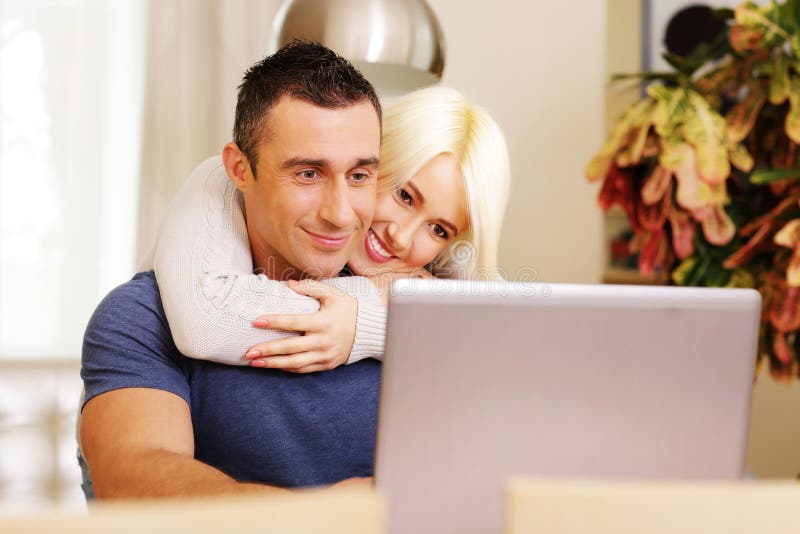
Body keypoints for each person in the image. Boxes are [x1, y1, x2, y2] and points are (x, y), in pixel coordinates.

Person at [154, 84, 511, 373]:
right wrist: (374, 312)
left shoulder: (432, 274)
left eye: (438, 230)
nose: (401, 237)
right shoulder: (223, 181)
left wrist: (392, 311)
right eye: (403, 195)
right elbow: (205, 323)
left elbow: (490, 338)